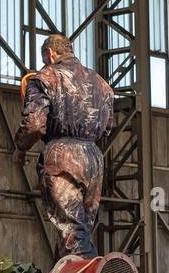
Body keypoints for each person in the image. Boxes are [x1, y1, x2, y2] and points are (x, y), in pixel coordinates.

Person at [13, 34, 113, 260]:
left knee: (72, 230)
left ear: (50, 54)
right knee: (82, 227)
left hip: (62, 156)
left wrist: (20, 147)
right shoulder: (101, 83)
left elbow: (35, 124)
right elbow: (108, 127)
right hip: (94, 159)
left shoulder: (46, 77)